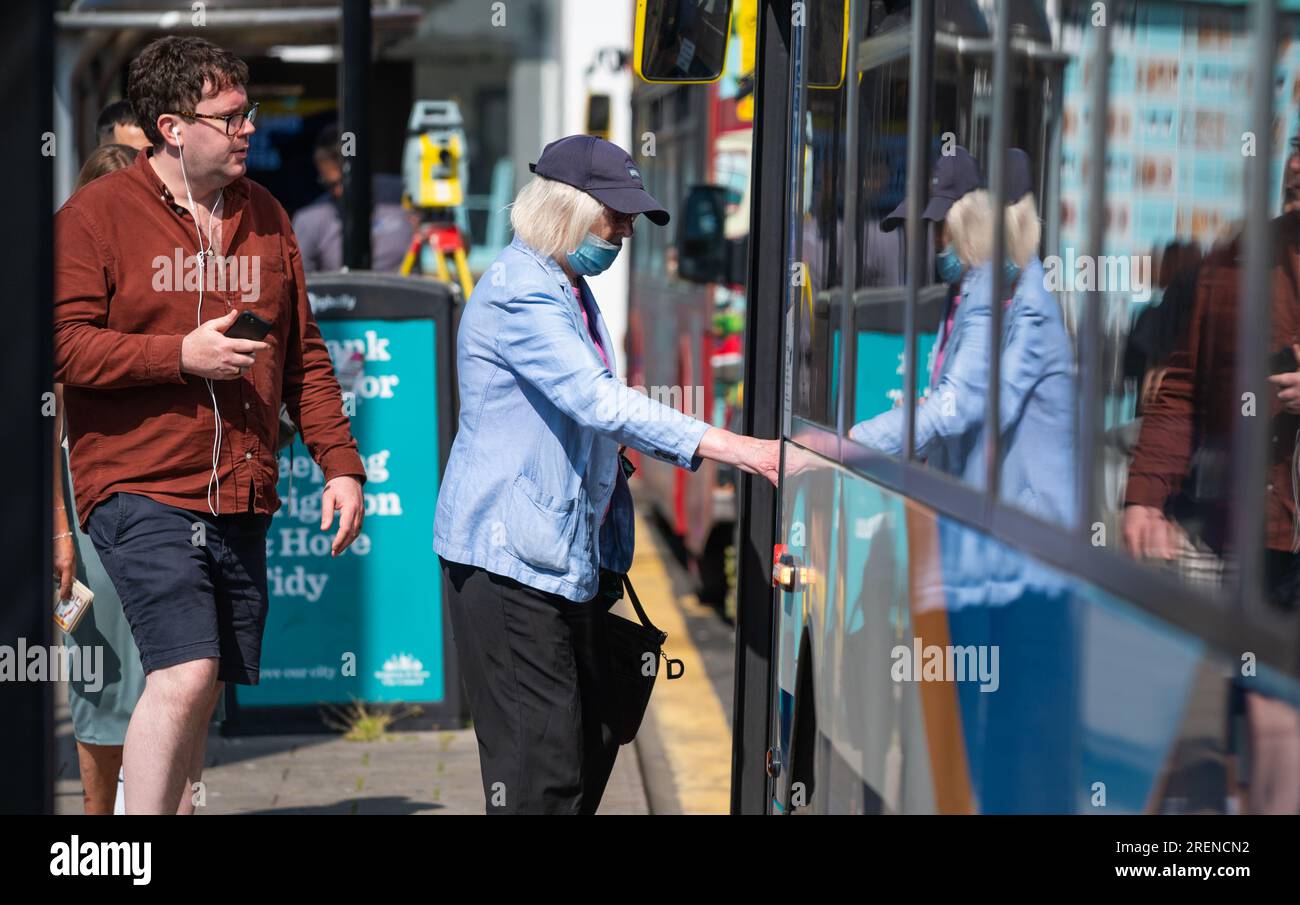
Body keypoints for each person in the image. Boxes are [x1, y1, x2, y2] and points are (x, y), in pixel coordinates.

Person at [53, 36, 367, 814]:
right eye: (229, 117)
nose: (247, 130)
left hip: (240, 490)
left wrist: (340, 463)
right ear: (170, 126)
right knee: (187, 669)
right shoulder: (95, 216)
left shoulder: (265, 215)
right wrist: (179, 354)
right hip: (138, 481)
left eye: (247, 112)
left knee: (202, 685)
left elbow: (304, 355)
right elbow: (62, 345)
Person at [434, 134, 780, 814]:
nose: (623, 231)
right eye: (613, 215)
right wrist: (741, 449)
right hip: (508, 563)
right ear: (563, 207)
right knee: (544, 769)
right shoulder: (519, 294)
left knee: (590, 742)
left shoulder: (568, 286)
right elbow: (598, 401)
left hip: (560, 558)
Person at [54, 143, 140, 814]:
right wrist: (58, 532)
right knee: (101, 677)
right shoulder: (66, 293)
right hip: (81, 501)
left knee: (172, 679)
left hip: (160, 498)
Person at [292, 124, 414, 271]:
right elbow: (303, 285)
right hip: (341, 294)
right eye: (329, 184)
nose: (339, 191)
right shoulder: (310, 220)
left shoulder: (406, 195)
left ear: (365, 168)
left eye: (347, 181)